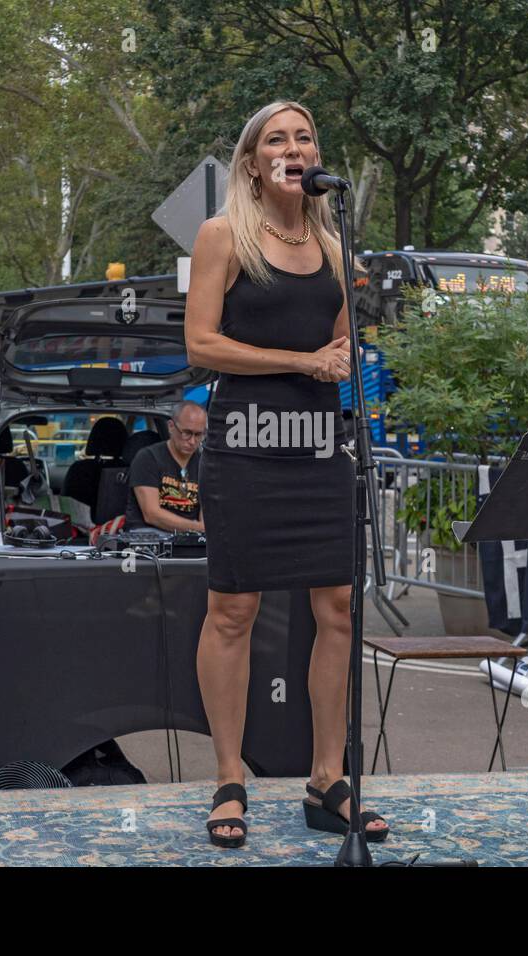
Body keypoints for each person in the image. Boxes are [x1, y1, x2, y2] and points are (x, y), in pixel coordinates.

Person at [184, 100, 388, 848]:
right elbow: (202, 344)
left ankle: (327, 777)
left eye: (304, 137)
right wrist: (302, 362)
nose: (294, 147)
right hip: (244, 442)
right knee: (233, 612)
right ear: (253, 162)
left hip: (317, 445)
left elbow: (340, 344)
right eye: (278, 139)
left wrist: (337, 355)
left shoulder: (337, 250)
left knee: (337, 608)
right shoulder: (224, 237)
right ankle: (230, 779)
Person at [124, 401, 206, 532]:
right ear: (171, 427)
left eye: (198, 435)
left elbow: (207, 514)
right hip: (148, 534)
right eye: (186, 433)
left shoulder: (204, 464)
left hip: (190, 537)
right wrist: (197, 528)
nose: (192, 441)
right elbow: (152, 515)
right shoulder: (147, 458)